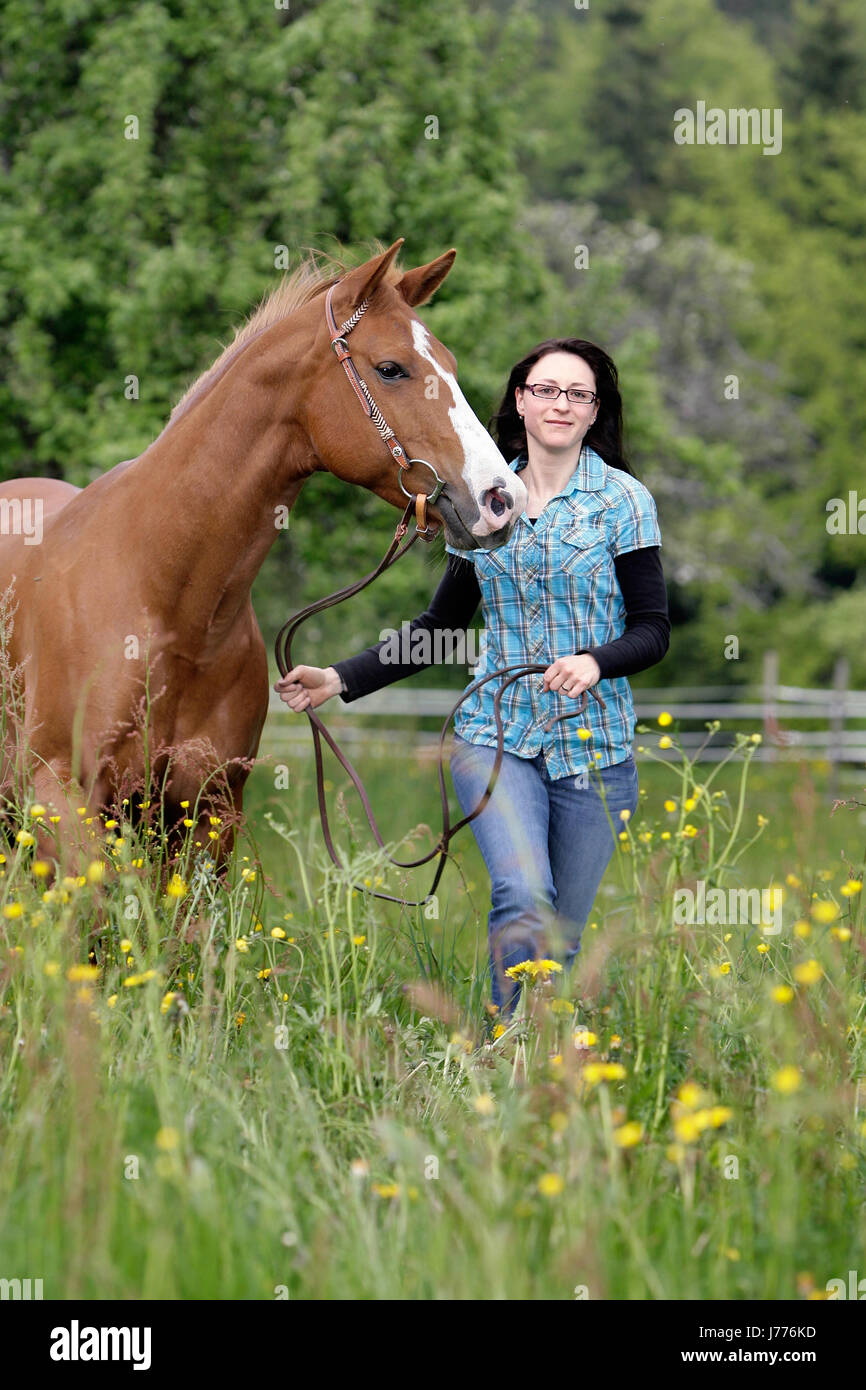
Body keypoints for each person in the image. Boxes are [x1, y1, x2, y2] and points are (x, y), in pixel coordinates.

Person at [274, 338, 670, 1018]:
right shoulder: (485, 495)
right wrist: (339, 679)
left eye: (578, 394)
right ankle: (508, 1059)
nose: (560, 404)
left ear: (595, 410)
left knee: (562, 941)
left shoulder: (623, 502)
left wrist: (595, 660)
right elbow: (438, 629)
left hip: (596, 752)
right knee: (523, 894)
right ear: (519, 399)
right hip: (495, 735)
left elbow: (652, 630)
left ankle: (536, 1067)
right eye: (546, 389)